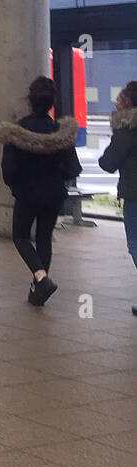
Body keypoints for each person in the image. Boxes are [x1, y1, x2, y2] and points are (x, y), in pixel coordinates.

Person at [0, 76, 82, 306]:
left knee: (21, 236)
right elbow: (73, 168)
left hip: (28, 193)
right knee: (44, 237)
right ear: (51, 104)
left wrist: (17, 186)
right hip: (54, 195)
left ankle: (41, 279)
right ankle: (38, 290)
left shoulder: (17, 131)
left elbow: (9, 169)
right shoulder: (60, 133)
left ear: (29, 101)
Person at [98, 80, 137, 316]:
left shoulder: (128, 129)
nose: (116, 103)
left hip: (135, 195)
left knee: (135, 244)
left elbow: (108, 163)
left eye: (120, 100)